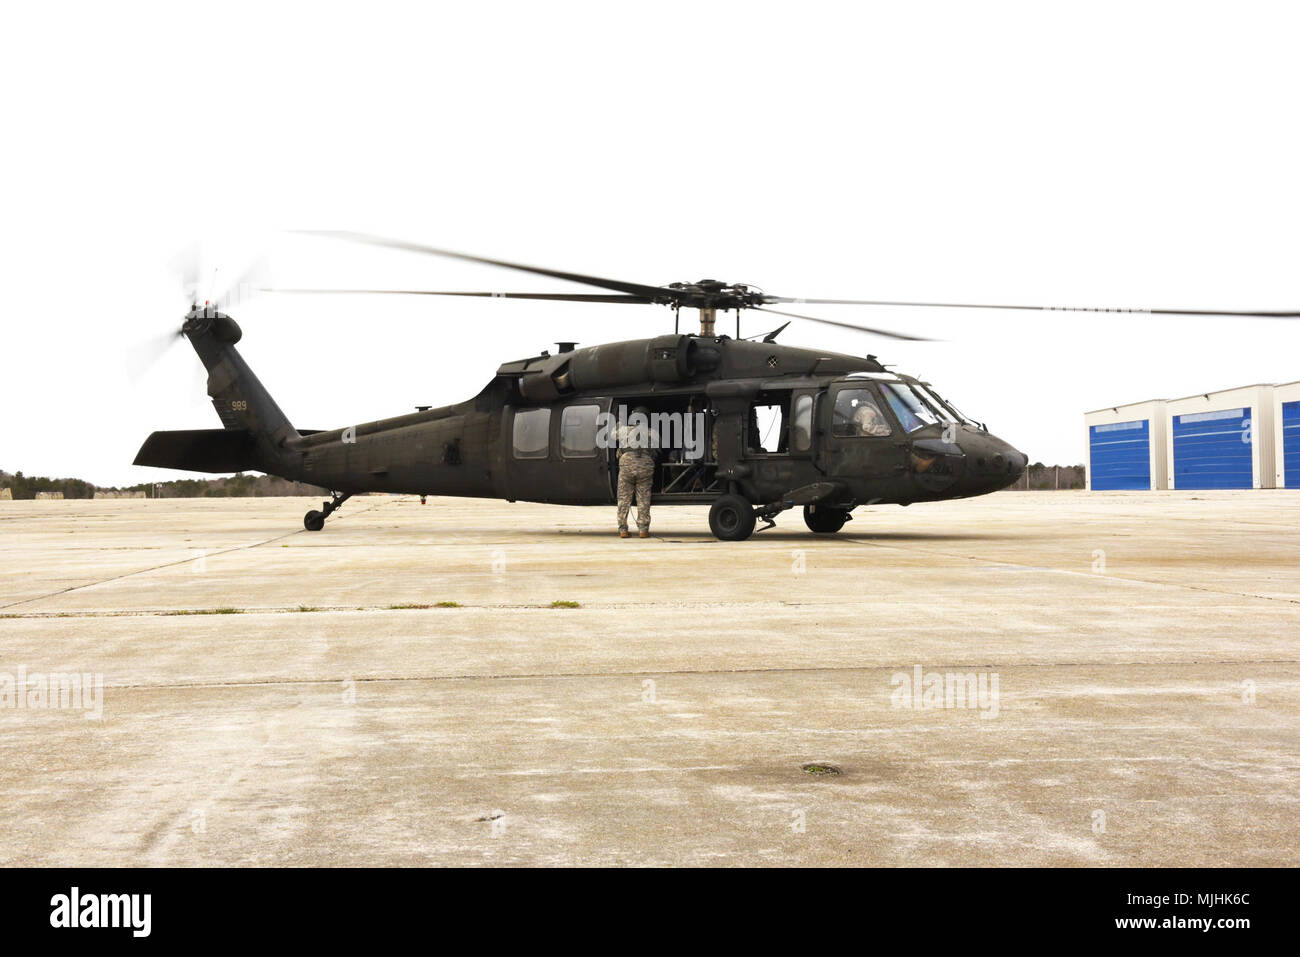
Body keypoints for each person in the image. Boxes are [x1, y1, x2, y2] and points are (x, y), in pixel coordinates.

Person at [616, 405, 656, 538]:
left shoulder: (624, 431)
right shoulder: (652, 432)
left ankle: (623, 529)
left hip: (627, 465)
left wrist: (619, 423)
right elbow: (658, 447)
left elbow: (611, 435)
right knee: (643, 498)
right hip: (645, 466)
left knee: (623, 498)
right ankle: (643, 530)